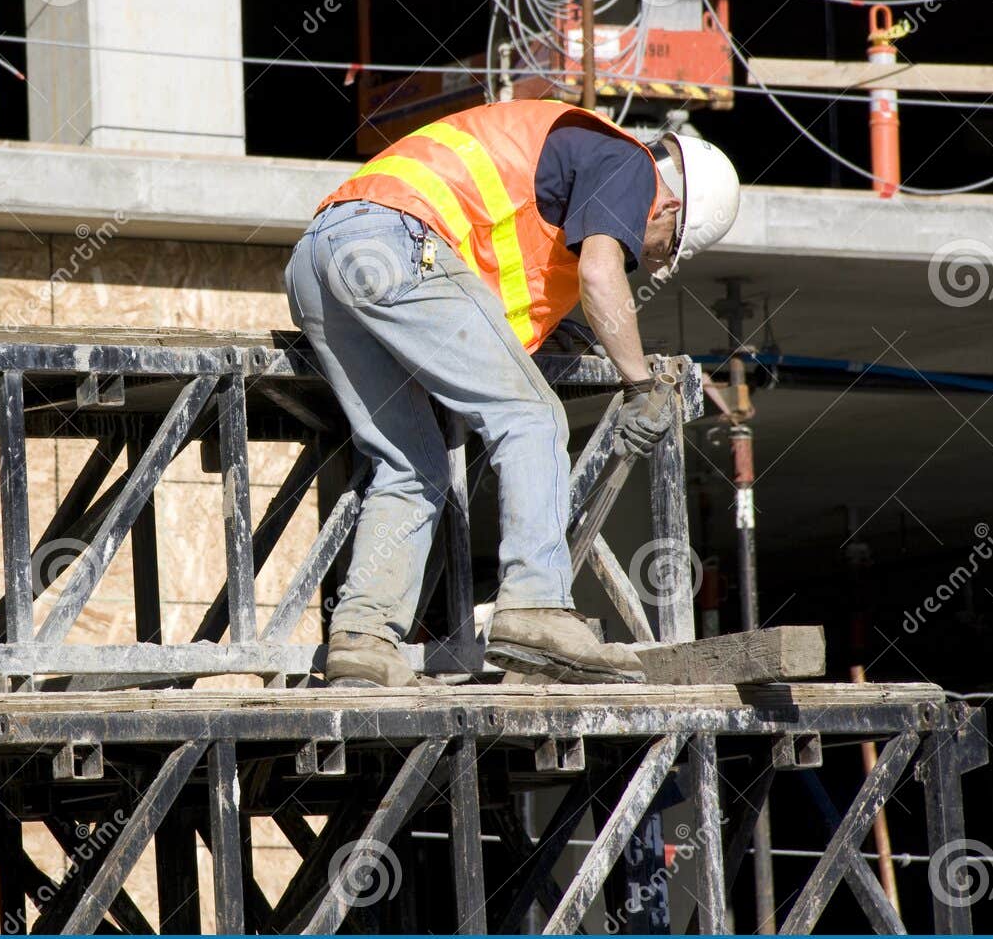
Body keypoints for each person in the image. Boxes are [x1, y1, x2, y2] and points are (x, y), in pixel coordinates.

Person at [285, 99, 740, 687]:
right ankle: (535, 607)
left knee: (409, 462)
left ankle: (363, 638)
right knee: (531, 418)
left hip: (320, 257)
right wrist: (640, 385)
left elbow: (496, 281)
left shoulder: (573, 166)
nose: (642, 260)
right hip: (397, 240)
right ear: (670, 206)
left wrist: (568, 328)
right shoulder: (631, 165)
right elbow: (600, 274)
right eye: (655, 247)